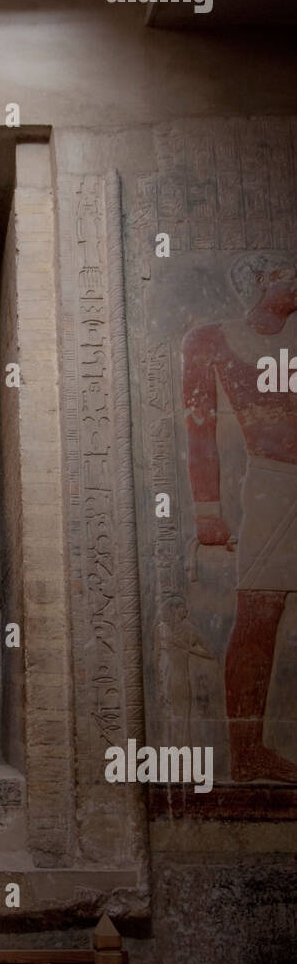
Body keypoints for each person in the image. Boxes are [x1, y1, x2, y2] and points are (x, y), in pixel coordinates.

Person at [182, 252, 297, 781]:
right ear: (255, 282)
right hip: (272, 483)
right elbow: (199, 428)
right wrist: (208, 511)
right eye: (285, 272)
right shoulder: (210, 339)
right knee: (259, 612)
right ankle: (247, 752)